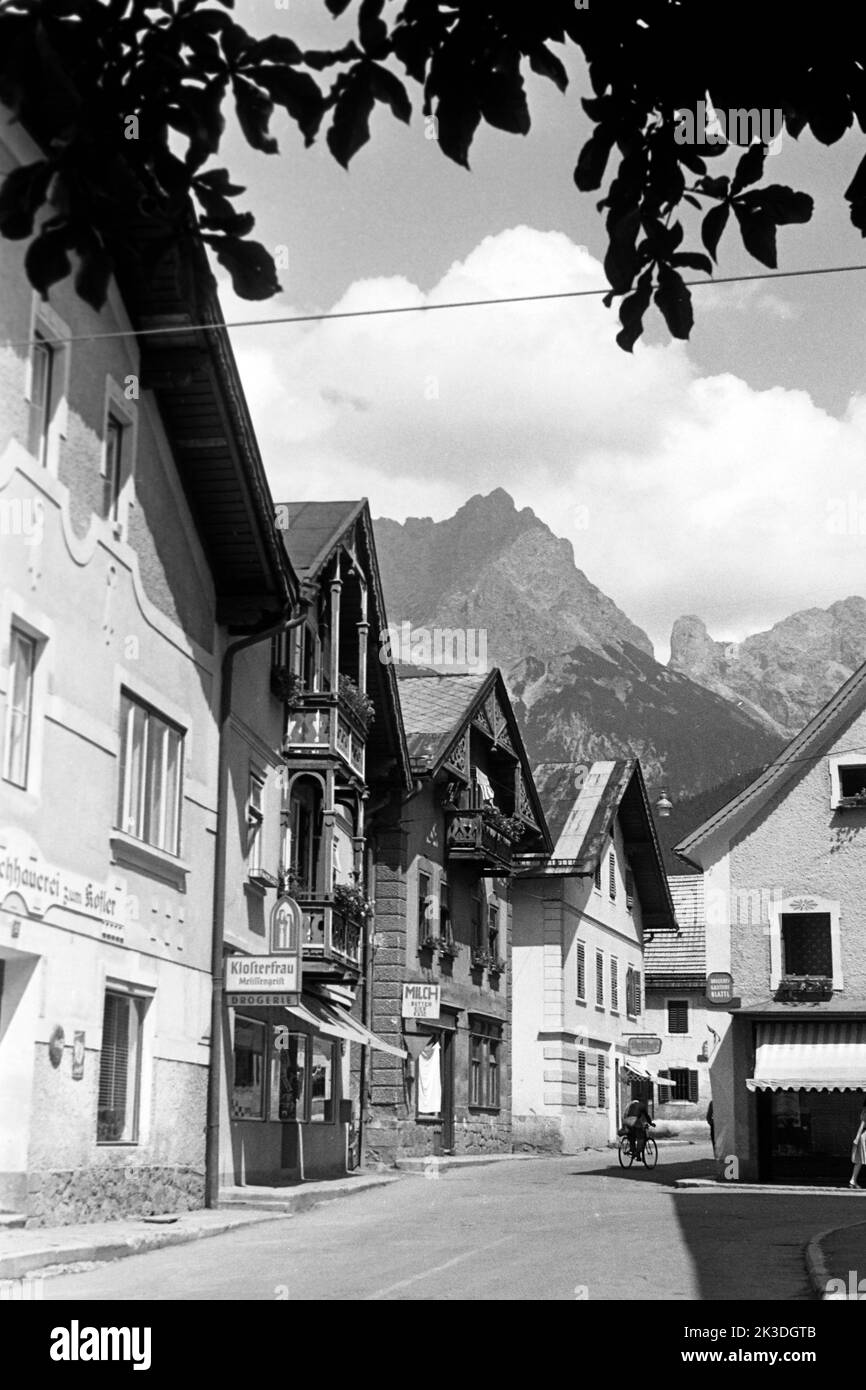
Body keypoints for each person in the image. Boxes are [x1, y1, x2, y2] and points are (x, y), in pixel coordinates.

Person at [849, 1099, 866, 1189]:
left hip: (863, 1137)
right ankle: (852, 1181)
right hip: (864, 1137)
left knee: (859, 1160)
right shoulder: (865, 1112)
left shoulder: (864, 1111)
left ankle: (852, 1181)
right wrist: (857, 1137)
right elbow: (862, 1125)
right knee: (860, 1160)